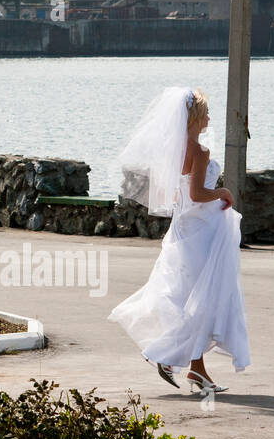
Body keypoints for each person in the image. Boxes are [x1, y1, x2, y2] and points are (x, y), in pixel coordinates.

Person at [107, 87, 250, 395]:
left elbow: (175, 194)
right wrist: (223, 193)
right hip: (201, 231)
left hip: (183, 228)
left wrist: (196, 197)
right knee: (203, 299)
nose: (210, 117)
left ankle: (195, 371)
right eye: (206, 112)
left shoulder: (174, 151)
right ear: (195, 117)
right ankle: (165, 354)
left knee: (189, 299)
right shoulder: (199, 152)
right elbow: (198, 193)